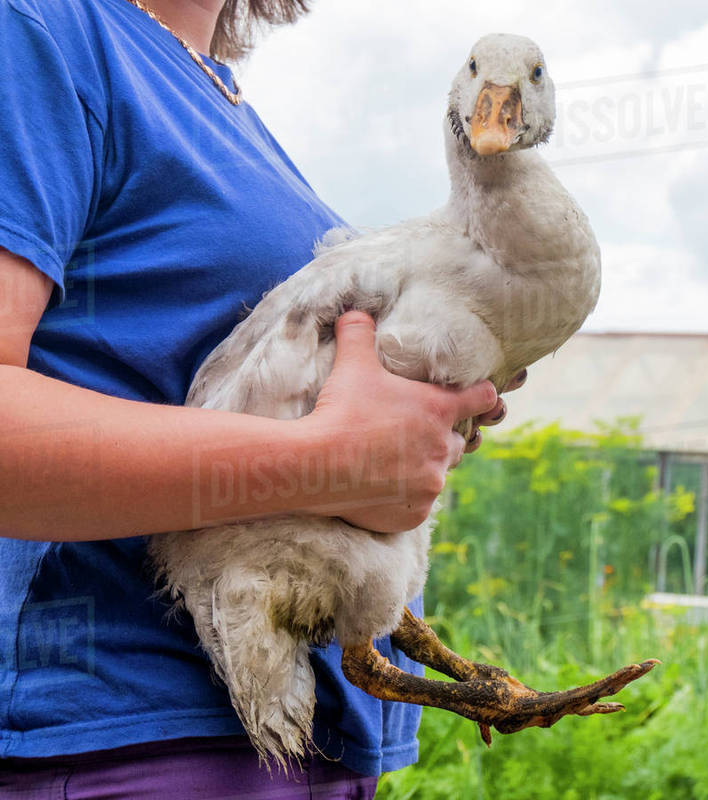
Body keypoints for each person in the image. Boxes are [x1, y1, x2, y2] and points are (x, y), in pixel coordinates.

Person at [0, 0, 512, 795]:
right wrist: (332, 459)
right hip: (131, 739)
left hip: (288, 740)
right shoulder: (41, 31)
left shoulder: (217, 94)